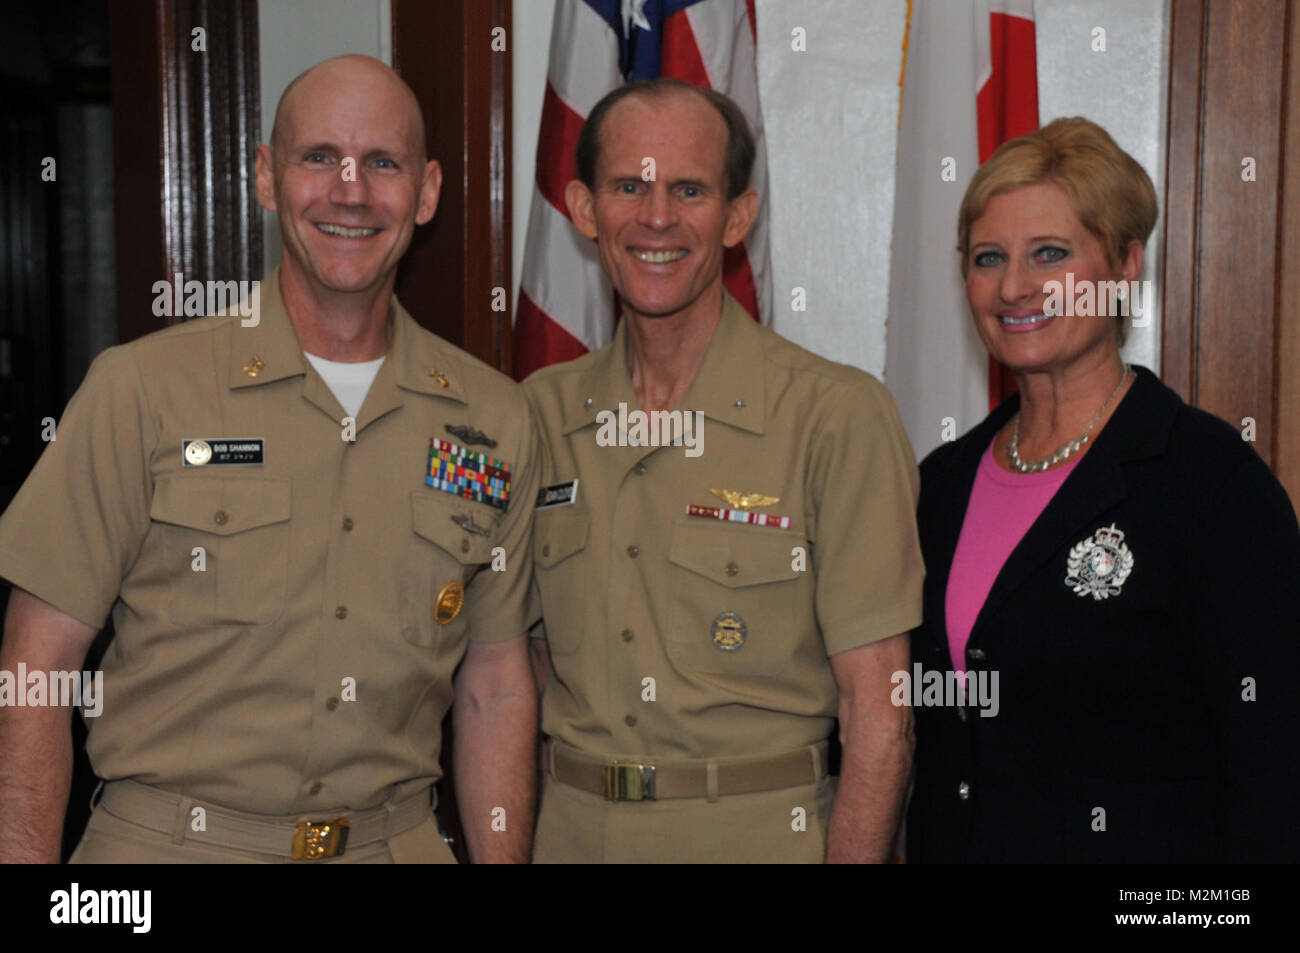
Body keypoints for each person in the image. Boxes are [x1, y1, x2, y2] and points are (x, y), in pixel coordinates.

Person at [0, 55, 539, 863]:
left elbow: (495, 683)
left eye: (381, 163)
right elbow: (36, 664)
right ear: (264, 176)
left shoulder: (494, 419)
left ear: (426, 193)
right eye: (318, 156)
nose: (350, 190)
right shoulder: (142, 390)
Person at [523, 79, 924, 863]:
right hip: (571, 834)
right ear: (582, 207)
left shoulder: (833, 416)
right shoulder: (539, 415)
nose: (657, 217)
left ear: (738, 216)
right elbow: (520, 669)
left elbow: (881, 715)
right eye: (629, 186)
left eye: (689, 189)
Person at [906, 116, 1300, 863]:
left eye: (1049, 254)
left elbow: (1275, 765)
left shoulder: (1210, 482)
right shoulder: (941, 485)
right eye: (989, 257)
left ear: (1125, 266)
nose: (1015, 286)